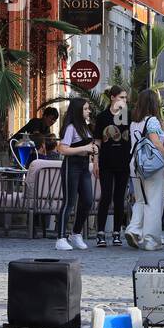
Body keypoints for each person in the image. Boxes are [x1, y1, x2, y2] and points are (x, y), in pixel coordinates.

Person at [125, 89, 164, 251]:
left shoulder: (134, 122)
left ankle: (134, 229)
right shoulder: (153, 121)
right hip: (150, 165)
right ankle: (151, 240)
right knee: (153, 201)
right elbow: (157, 143)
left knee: (140, 200)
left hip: (135, 164)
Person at [55, 97, 97, 251]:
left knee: (87, 200)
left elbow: (89, 146)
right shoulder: (71, 128)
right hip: (71, 166)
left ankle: (76, 233)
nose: (89, 111)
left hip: (84, 166)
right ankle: (60, 237)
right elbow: (62, 149)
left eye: (88, 109)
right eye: (86, 109)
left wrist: (93, 150)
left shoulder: (86, 127)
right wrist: (84, 148)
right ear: (78, 111)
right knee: (69, 202)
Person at [93, 86, 131, 247]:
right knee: (106, 196)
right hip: (106, 162)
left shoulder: (128, 116)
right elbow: (97, 140)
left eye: (125, 98)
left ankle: (117, 232)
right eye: (122, 97)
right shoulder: (102, 117)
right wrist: (95, 161)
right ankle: (100, 232)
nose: (124, 100)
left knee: (120, 198)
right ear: (113, 97)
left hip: (124, 162)